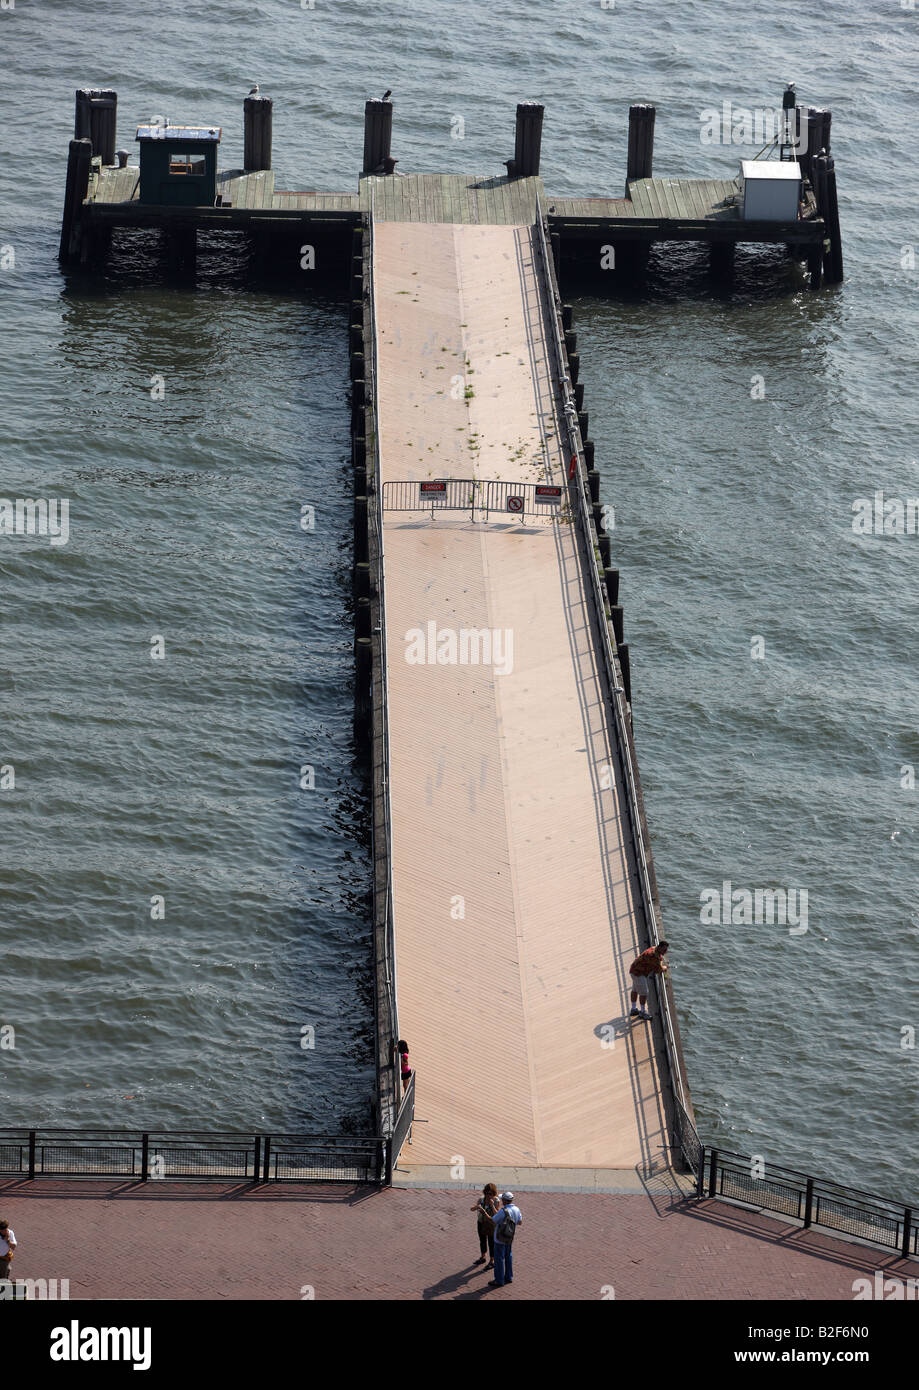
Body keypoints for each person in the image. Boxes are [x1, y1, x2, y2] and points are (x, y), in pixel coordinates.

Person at [488, 1191, 522, 1288]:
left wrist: (492, 1206)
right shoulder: (517, 1209)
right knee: (508, 1256)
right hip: (510, 1237)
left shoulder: (503, 1211)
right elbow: (520, 1222)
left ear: (505, 1201)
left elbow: (494, 1219)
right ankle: (508, 1276)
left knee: (499, 1259)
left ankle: (499, 1280)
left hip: (500, 1238)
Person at [629, 940, 669, 1019]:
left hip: (634, 970)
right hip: (639, 974)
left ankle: (633, 1009)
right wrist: (665, 968)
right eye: (664, 950)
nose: (665, 952)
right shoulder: (653, 956)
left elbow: (659, 959)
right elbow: (658, 970)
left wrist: (660, 963)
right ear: (660, 947)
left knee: (635, 990)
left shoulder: (654, 949)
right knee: (644, 993)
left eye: (666, 950)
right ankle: (642, 1012)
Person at [471, 1183, 500, 1268]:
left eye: (490, 1194)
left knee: (491, 1242)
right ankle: (483, 1257)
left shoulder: (496, 1201)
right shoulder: (481, 1199)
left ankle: (492, 1260)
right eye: (487, 1193)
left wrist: (492, 1205)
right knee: (482, 1240)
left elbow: (497, 1214)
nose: (488, 1195)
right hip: (481, 1223)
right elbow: (471, 1209)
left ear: (494, 1193)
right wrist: (477, 1207)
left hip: (491, 1224)